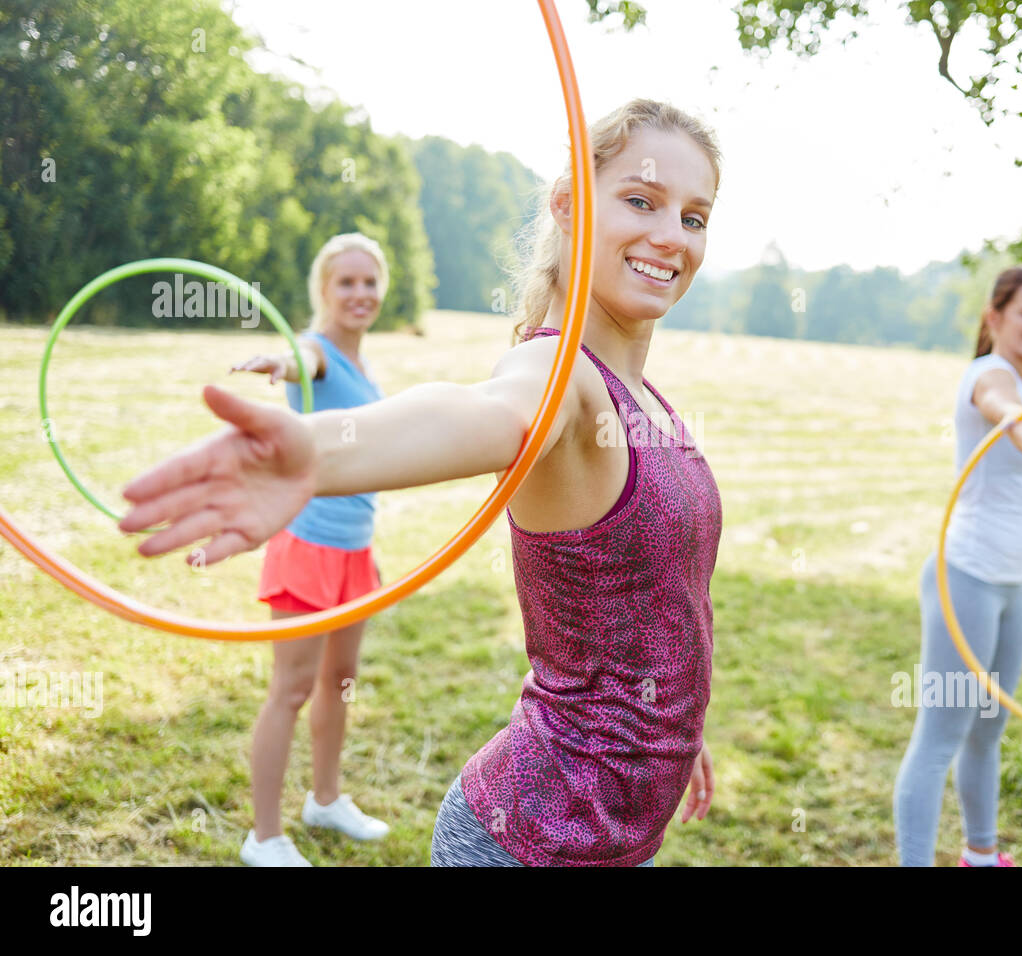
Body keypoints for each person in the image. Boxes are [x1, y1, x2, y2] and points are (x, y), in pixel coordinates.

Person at [118, 99, 723, 867]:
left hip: (620, 830)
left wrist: (673, 727)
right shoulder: (558, 372)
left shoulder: (649, 401)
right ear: (570, 206)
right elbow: (477, 413)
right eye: (641, 201)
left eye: (694, 216)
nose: (671, 236)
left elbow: (667, 603)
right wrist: (313, 449)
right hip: (525, 841)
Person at [893, 266, 1022, 867]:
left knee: (987, 729)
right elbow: (1006, 414)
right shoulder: (990, 377)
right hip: (966, 577)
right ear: (994, 317)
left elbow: (1010, 498)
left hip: (1006, 584)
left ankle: (981, 857)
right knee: (940, 736)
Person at [227, 233, 391, 867]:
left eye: (369, 282)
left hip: (357, 551)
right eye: (345, 283)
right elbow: (300, 360)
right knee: (289, 691)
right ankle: (262, 836)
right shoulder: (318, 352)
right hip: (309, 547)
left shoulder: (365, 363)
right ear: (323, 291)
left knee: (340, 683)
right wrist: (279, 362)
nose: (359, 294)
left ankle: (325, 798)